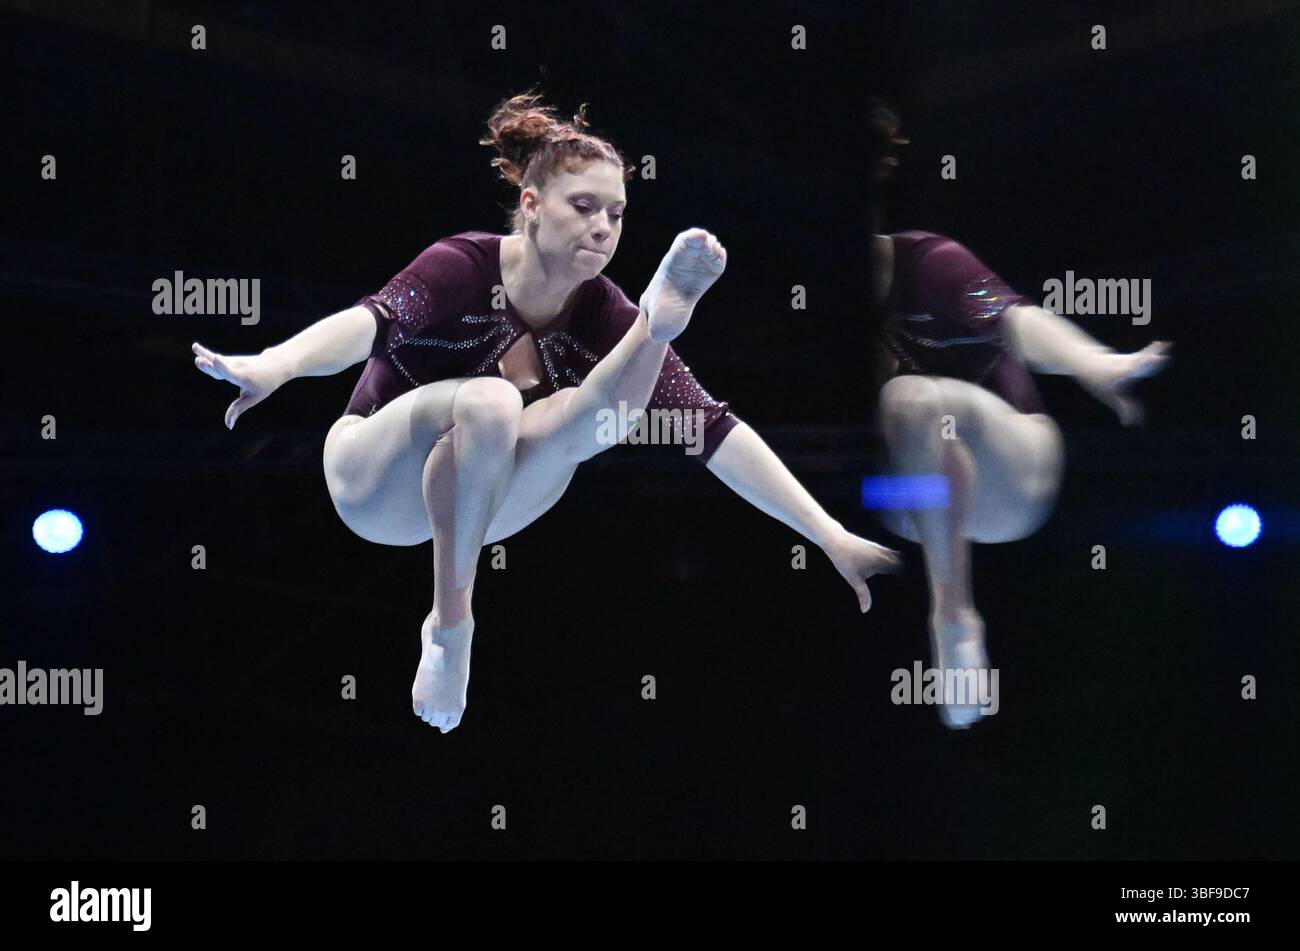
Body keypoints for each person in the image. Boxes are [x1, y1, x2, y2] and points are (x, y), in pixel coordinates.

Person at [192, 89, 901, 733]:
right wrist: (274, 365)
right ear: (530, 204)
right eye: (583, 207)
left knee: (595, 419)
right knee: (492, 401)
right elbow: (366, 324)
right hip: (374, 480)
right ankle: (451, 627)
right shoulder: (462, 265)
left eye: (617, 213)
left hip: (484, 497)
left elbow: (713, 430)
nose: (603, 227)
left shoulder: (599, 311)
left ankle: (657, 328)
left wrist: (828, 533)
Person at [863, 99, 1172, 728]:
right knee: (889, 425)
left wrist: (1094, 363)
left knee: (914, 400)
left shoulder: (928, 262)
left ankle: (953, 621)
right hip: (917, 500)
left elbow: (1016, 320)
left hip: (1015, 465)